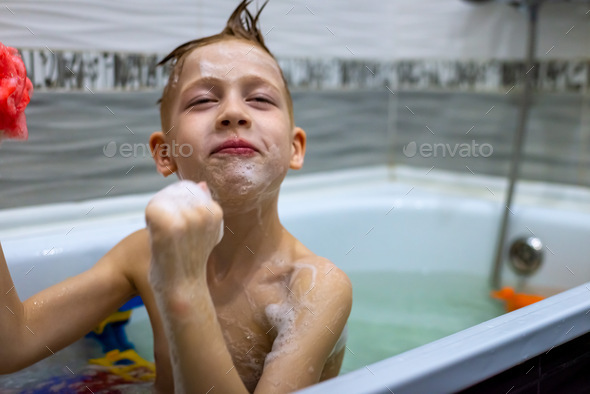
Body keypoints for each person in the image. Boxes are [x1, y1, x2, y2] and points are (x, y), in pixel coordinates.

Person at [0, 1, 352, 393]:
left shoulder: (315, 287)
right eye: (203, 100)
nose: (233, 112)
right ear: (164, 153)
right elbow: (11, 345)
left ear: (295, 148)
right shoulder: (144, 254)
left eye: (259, 99)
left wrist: (183, 284)